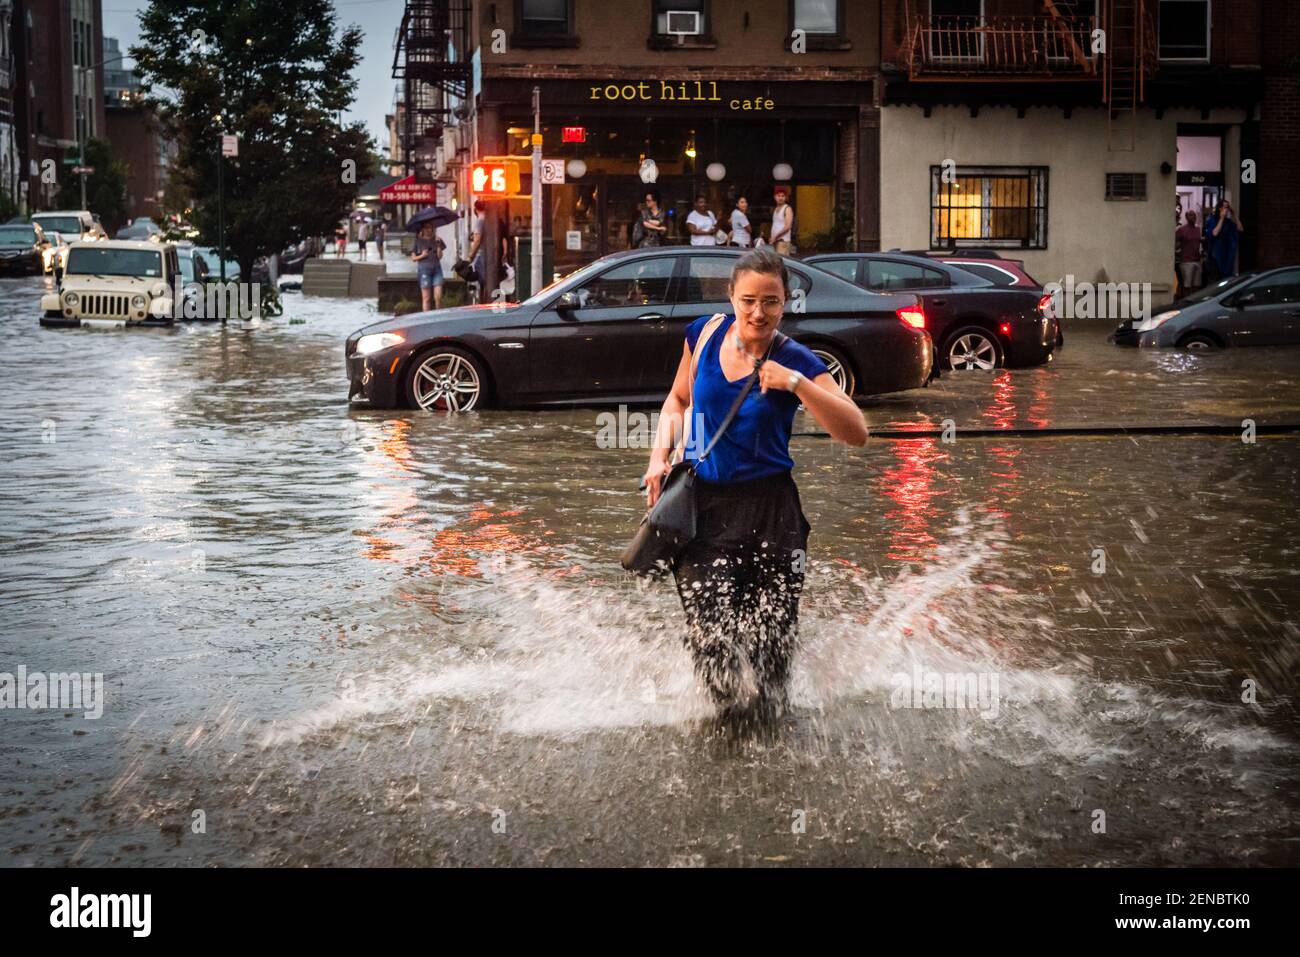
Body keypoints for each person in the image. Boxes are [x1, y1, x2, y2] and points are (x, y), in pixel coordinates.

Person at [641, 247, 869, 725]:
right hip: (703, 507)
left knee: (771, 641)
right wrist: (659, 457)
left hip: (772, 513)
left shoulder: (796, 359)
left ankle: (770, 726)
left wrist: (796, 385)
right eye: (748, 300)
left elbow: (855, 432)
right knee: (710, 632)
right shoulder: (703, 335)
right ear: (731, 297)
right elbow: (677, 400)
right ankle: (724, 728)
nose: (758, 312)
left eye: (771, 301)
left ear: (786, 302)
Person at [1205, 199, 1243, 279]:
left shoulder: (1228, 222)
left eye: (1228, 207)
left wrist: (1234, 214)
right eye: (1225, 207)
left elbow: (1240, 229)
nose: (1227, 210)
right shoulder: (1212, 220)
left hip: (1226, 255)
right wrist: (1221, 218)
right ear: (1220, 208)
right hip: (1215, 256)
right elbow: (1215, 233)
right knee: (1215, 279)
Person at [411, 222, 443, 311]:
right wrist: (422, 255)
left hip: (437, 270)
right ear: (422, 229)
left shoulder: (437, 240)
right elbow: (413, 258)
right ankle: (427, 318)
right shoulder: (418, 241)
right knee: (426, 298)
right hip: (424, 271)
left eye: (430, 227)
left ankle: (439, 316)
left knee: (438, 297)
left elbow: (440, 256)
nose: (429, 230)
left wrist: (438, 245)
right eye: (426, 228)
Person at [1175, 210, 1202, 297]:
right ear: (1186, 217)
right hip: (1186, 261)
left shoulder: (1198, 229)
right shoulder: (1182, 230)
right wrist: (1178, 252)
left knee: (1197, 286)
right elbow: (1174, 242)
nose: (1193, 217)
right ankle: (1186, 304)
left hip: (1197, 260)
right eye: (1190, 215)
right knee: (1187, 286)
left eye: (1194, 215)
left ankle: (1195, 304)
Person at [769, 187, 793, 255]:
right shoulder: (776, 209)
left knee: (782, 263)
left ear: (785, 198)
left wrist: (775, 237)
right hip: (775, 242)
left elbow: (788, 226)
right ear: (775, 197)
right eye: (778, 196)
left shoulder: (787, 208)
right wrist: (772, 237)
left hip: (783, 242)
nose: (780, 198)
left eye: (783, 196)